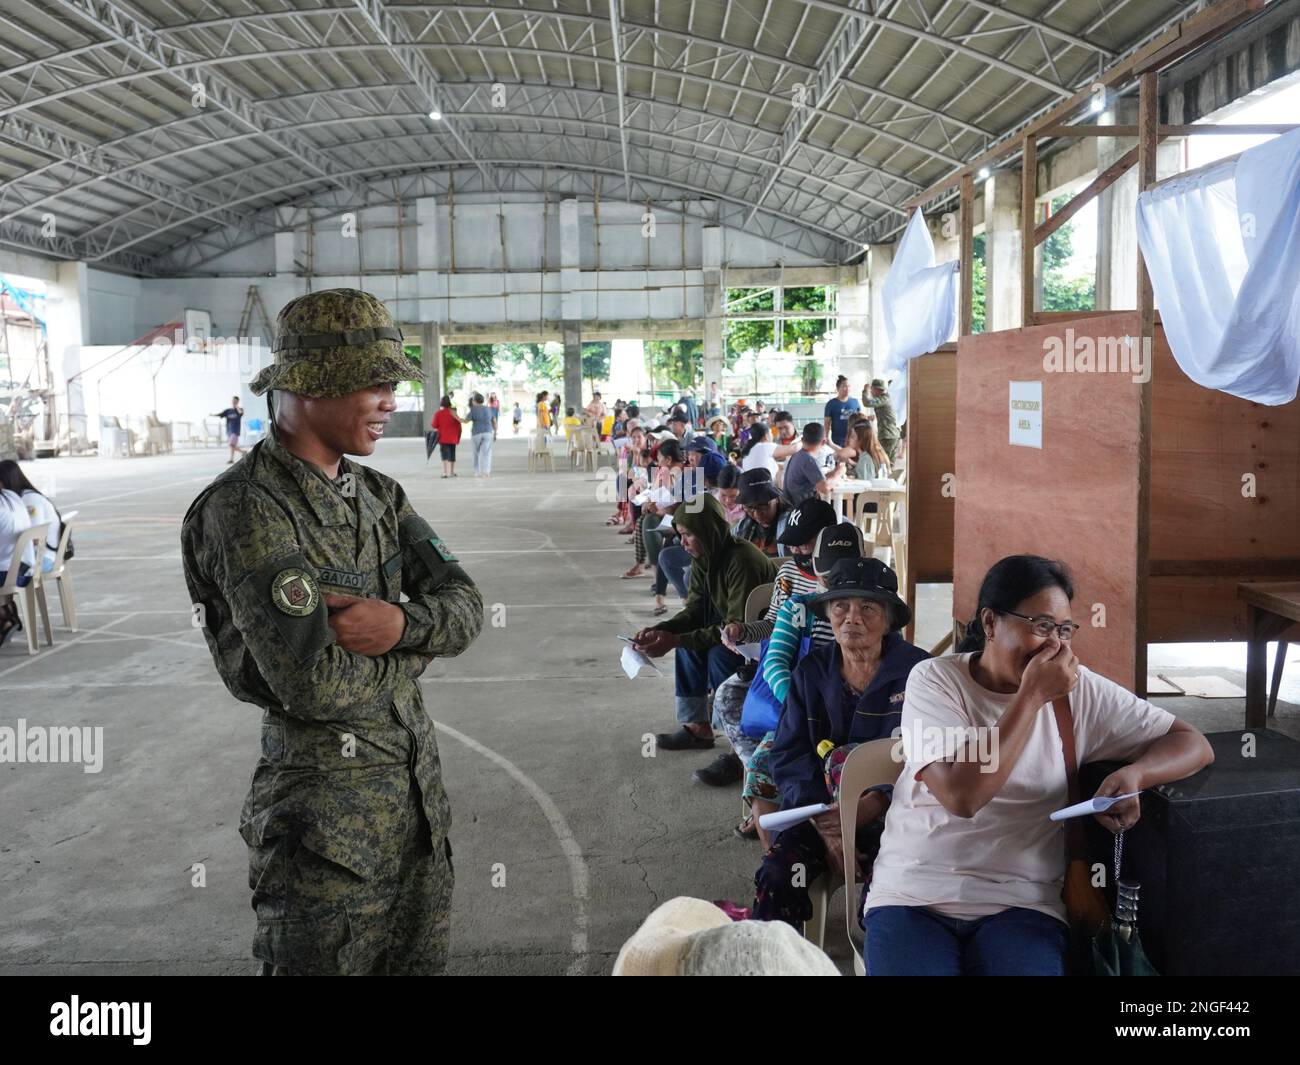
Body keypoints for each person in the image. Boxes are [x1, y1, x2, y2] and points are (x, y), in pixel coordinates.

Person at [180, 287, 484, 975]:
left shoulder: (378, 496)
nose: (389, 399)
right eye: (374, 382)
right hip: (324, 844)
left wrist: (398, 622)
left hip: (416, 816)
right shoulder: (248, 509)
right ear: (313, 385)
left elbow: (465, 602)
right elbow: (313, 683)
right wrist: (420, 648)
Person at [863, 555, 1215, 976]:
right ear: (990, 623)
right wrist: (1030, 698)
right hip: (913, 894)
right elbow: (962, 796)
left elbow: (1192, 742)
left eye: (1064, 630)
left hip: (1021, 902)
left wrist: (1136, 775)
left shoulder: (1078, 692)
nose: (1057, 646)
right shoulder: (935, 681)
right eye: (1041, 626)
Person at [753, 557, 928, 927]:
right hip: (821, 813)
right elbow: (789, 753)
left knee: (894, 900)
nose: (852, 617)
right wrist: (823, 822)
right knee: (779, 874)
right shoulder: (810, 673)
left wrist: (877, 800)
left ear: (889, 619)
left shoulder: (921, 674)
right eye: (840, 606)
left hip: (898, 817)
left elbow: (933, 757)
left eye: (868, 607)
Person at [699, 498, 839, 791]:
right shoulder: (787, 576)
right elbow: (772, 624)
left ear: (828, 538)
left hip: (827, 676)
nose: (798, 550)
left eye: (806, 543)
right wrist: (742, 631)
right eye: (794, 544)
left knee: (800, 719)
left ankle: (777, 781)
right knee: (726, 697)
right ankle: (758, 773)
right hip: (784, 668)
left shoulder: (844, 577)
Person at [632, 494, 777, 752]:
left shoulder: (742, 561)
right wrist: (662, 630)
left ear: (707, 530)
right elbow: (696, 610)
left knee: (719, 656)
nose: (681, 542)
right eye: (679, 534)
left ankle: (741, 744)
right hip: (733, 629)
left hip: (759, 636)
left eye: (688, 534)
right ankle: (697, 728)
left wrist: (675, 639)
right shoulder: (704, 557)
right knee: (689, 645)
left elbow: (738, 629)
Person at [0, 460, 60, 573]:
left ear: (5, 481)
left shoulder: (29, 500)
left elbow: (35, 538)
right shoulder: (18, 497)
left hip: (43, 558)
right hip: (37, 556)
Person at [0, 484, 36, 647]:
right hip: (25, 569)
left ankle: (5, 617)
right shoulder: (11, 496)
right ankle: (6, 611)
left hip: (9, 575)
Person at [783, 422, 845, 505]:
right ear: (823, 442)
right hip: (801, 512)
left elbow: (819, 479)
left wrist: (835, 472)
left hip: (793, 508)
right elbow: (825, 488)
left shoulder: (798, 455)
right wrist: (839, 473)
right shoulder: (807, 459)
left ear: (802, 439)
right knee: (842, 518)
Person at [733, 468, 790, 558]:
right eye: (750, 507)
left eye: (763, 505)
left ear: (776, 499)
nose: (757, 514)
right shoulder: (742, 527)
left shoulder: (790, 525)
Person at [862, 378, 900, 464]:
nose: (871, 392)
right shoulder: (885, 398)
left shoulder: (883, 398)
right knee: (889, 464)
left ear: (876, 389)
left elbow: (867, 403)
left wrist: (865, 390)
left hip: (888, 436)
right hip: (891, 435)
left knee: (883, 462)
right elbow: (886, 413)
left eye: (871, 389)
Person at [822, 375, 861, 449]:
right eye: (844, 386)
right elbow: (827, 423)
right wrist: (826, 438)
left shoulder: (855, 402)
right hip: (837, 440)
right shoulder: (831, 404)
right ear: (837, 388)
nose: (847, 389)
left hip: (853, 439)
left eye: (849, 386)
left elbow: (860, 420)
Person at [465, 392, 495, 479]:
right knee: (487, 453)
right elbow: (494, 421)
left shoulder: (473, 409)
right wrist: (495, 431)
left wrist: (457, 418)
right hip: (488, 432)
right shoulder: (488, 409)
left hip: (476, 433)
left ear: (474, 401)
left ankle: (477, 472)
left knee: (476, 453)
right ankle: (486, 473)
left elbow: (466, 421)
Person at [431, 395, 462, 478]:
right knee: (452, 454)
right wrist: (458, 437)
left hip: (443, 438)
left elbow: (434, 425)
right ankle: (451, 472)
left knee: (444, 455)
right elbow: (459, 426)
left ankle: (445, 472)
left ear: (441, 403)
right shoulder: (454, 413)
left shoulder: (438, 413)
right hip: (453, 438)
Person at [213, 395, 247, 464]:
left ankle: (242, 452)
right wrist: (213, 415)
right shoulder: (228, 411)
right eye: (232, 400)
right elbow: (221, 414)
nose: (233, 401)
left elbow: (241, 413)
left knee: (231, 445)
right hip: (229, 431)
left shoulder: (239, 409)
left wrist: (236, 406)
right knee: (232, 446)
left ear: (237, 401)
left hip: (235, 430)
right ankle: (232, 458)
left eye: (235, 400)